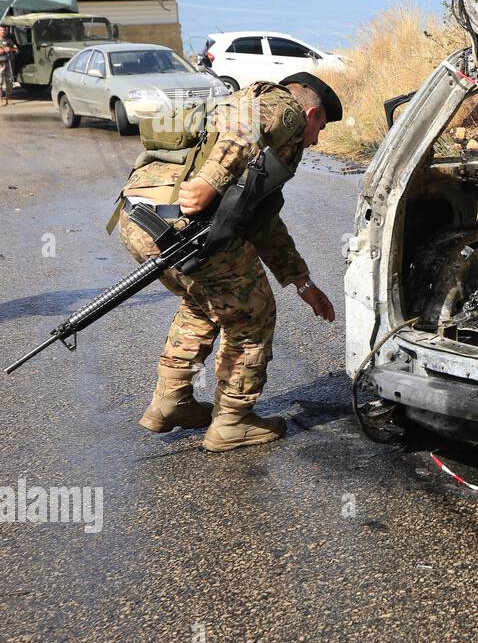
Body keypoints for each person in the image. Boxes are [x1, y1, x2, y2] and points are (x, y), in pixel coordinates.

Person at [115, 72, 342, 452]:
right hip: (180, 217)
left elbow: (262, 223)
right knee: (252, 313)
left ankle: (171, 402)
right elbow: (245, 124)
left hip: (139, 219)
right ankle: (233, 421)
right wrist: (210, 181)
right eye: (319, 128)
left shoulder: (254, 132)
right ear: (312, 111)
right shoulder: (283, 105)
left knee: (205, 302)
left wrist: (302, 283)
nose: (316, 140)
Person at [0, 26, 17, 106]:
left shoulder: (9, 40)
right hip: (1, 64)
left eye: (4, 30)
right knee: (0, 81)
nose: (3, 32)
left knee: (9, 81)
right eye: (1, 30)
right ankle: (0, 99)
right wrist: (1, 50)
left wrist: (10, 49)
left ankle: (9, 98)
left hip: (9, 63)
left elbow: (16, 50)